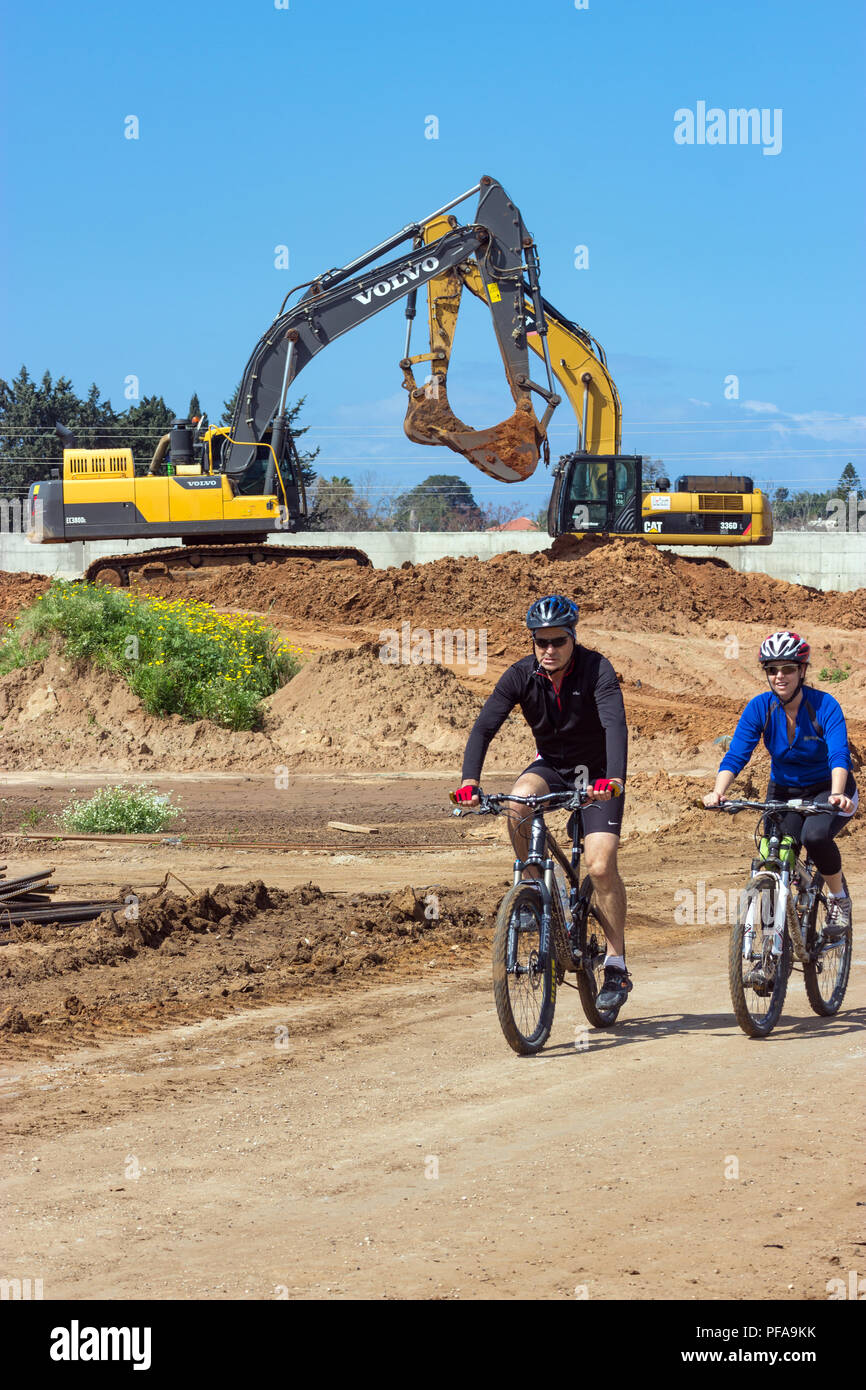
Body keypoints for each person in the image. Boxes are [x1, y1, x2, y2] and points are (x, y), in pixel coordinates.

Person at [453, 594, 632, 1012]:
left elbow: (615, 725)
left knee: (600, 866)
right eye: (541, 641)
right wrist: (470, 781)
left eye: (558, 641)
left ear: (573, 638)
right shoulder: (520, 674)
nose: (549, 650)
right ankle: (534, 890)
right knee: (517, 803)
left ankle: (616, 964)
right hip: (551, 766)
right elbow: (484, 728)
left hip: (597, 775)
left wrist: (614, 779)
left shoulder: (597, 669)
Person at [703, 630, 857, 942]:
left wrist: (837, 793)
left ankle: (838, 899)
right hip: (784, 789)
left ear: (802, 670)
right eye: (772, 669)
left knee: (814, 836)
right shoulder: (760, 707)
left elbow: (839, 754)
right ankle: (772, 949)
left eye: (787, 668)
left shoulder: (824, 705)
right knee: (772, 852)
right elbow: (737, 754)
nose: (779, 676)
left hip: (827, 788)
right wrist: (719, 791)